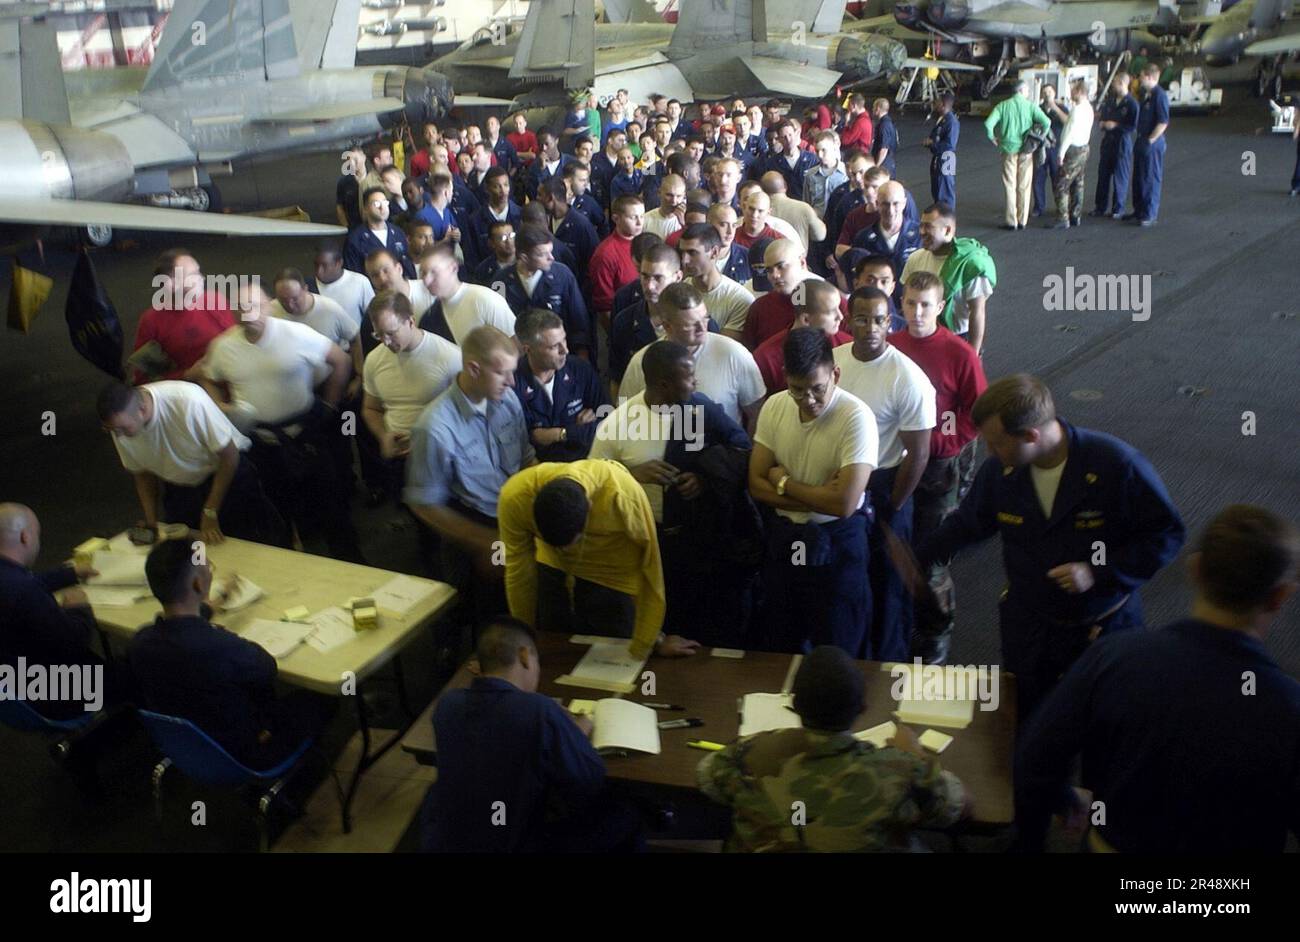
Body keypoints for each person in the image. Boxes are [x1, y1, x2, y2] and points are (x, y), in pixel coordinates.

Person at [1015, 505, 1298, 854]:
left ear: (1194, 570)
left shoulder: (1113, 657)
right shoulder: (1289, 707)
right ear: (1280, 597)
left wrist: (1065, 800)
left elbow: (1035, 759)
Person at [920, 374, 1185, 717]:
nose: (990, 452)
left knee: (1104, 728)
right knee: (1026, 723)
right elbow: (969, 523)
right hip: (1029, 627)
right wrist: (918, 557)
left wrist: (1098, 572)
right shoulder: (1001, 472)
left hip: (1102, 628)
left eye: (997, 443)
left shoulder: (1115, 465)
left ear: (1031, 435)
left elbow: (1166, 534)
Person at [698, 645, 969, 852]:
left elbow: (707, 777)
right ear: (862, 708)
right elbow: (956, 806)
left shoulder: (751, 751)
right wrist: (916, 754)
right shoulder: (898, 771)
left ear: (795, 705)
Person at [422, 617, 642, 853]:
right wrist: (577, 732)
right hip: (512, 843)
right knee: (626, 813)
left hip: (444, 841)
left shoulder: (447, 704)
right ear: (525, 656)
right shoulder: (539, 710)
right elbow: (590, 778)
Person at [591, 341, 756, 646]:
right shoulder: (616, 425)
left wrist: (705, 478)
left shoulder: (701, 408)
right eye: (690, 376)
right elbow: (592, 486)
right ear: (665, 384)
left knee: (706, 629)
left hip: (701, 542)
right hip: (648, 543)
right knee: (662, 624)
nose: (696, 382)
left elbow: (742, 448)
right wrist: (631, 476)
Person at [188, 282, 362, 562]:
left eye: (255, 305)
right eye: (242, 308)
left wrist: (329, 404)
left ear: (268, 305)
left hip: (306, 437)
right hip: (263, 444)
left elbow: (341, 361)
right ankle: (295, 569)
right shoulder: (223, 347)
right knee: (278, 512)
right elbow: (204, 374)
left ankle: (354, 565)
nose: (249, 313)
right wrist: (221, 406)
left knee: (332, 506)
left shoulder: (296, 334)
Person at [128, 540, 331, 770]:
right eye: (208, 568)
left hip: (188, 748)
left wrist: (211, 605)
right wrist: (216, 631)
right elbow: (267, 668)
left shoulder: (141, 642)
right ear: (197, 584)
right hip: (245, 753)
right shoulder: (219, 647)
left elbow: (182, 628)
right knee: (320, 699)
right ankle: (306, 776)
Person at [749, 329, 876, 655]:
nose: (808, 400)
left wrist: (784, 482)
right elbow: (754, 484)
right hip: (787, 538)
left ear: (835, 373)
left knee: (837, 646)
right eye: (798, 390)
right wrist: (817, 495)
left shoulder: (856, 418)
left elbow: (844, 505)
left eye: (818, 389)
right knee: (781, 640)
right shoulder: (775, 407)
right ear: (785, 378)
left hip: (837, 541)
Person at [498, 459, 700, 660]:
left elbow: (650, 568)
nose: (567, 550)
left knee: (622, 658)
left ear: (590, 506)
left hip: (613, 579)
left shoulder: (623, 496)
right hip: (553, 572)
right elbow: (519, 571)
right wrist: (519, 645)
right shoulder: (515, 496)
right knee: (555, 651)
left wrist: (652, 640)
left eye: (572, 542)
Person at [404, 326, 535, 621]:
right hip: (474, 525)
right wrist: (484, 541)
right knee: (486, 615)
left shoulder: (508, 400)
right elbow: (423, 502)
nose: (512, 382)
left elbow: (526, 458)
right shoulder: (434, 427)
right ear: (474, 368)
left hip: (515, 517)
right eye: (502, 373)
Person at [889, 272, 986, 663]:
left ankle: (935, 635)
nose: (917, 312)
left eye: (926, 304)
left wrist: (942, 444)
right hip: (895, 465)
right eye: (910, 303)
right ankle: (899, 626)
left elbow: (976, 412)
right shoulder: (892, 347)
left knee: (931, 558)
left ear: (941, 307)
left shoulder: (958, 353)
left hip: (939, 470)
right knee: (896, 549)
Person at [835, 288, 936, 662]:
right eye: (862, 319)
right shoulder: (836, 361)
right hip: (843, 482)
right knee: (850, 580)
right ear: (848, 321)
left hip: (888, 485)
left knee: (889, 586)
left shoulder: (907, 377)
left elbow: (919, 454)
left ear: (890, 322)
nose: (872, 328)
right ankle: (854, 662)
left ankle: (890, 665)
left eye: (881, 320)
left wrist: (892, 506)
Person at [98, 380, 284, 546]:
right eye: (113, 430)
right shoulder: (119, 424)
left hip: (224, 473)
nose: (119, 435)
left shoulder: (187, 401)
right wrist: (151, 523)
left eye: (123, 429)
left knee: (248, 544)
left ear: (142, 410)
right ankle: (203, 582)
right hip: (181, 484)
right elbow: (142, 475)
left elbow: (229, 456)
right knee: (191, 551)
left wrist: (210, 511)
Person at [0, 504, 106, 720]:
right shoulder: (25, 592)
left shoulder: (12, 579)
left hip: (12, 687)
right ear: (25, 537)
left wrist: (69, 573)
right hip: (52, 693)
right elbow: (75, 641)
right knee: (132, 672)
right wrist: (79, 609)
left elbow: (27, 583)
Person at [620, 283, 765, 430]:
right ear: (667, 326)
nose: (703, 328)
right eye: (691, 325)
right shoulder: (642, 362)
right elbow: (626, 418)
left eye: (705, 318)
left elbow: (757, 414)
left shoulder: (734, 354)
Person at [361, 291, 461, 499]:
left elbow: (466, 414)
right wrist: (384, 436)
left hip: (443, 456)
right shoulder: (373, 360)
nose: (386, 342)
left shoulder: (449, 357)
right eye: (378, 335)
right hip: (399, 458)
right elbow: (371, 408)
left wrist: (429, 443)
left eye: (391, 333)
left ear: (411, 321)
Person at [899, 202, 996, 354]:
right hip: (920, 335)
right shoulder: (914, 259)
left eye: (928, 227)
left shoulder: (970, 264)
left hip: (958, 338)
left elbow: (977, 312)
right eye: (921, 226)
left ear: (948, 231)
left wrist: (973, 354)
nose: (922, 232)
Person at [512, 308, 607, 462]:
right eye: (554, 346)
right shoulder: (512, 384)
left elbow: (607, 420)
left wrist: (561, 433)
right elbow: (519, 441)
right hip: (539, 469)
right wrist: (580, 429)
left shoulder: (580, 369)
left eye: (564, 340)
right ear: (528, 350)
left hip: (587, 460)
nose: (565, 350)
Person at [129, 249, 234, 384]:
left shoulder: (215, 299)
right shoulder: (151, 322)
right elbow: (145, 380)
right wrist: (188, 374)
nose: (202, 278)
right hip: (190, 391)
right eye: (193, 275)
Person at [487, 227, 588, 356]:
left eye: (551, 252)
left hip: (557, 351)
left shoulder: (562, 275)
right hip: (519, 355)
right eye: (542, 254)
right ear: (524, 257)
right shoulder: (500, 281)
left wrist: (582, 355)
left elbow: (578, 320)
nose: (551, 258)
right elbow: (496, 326)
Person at [752, 278, 850, 393]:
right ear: (806, 319)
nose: (840, 316)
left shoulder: (848, 345)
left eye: (839, 308)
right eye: (831, 311)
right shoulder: (766, 359)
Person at [417, 243, 517, 344]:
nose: (427, 280)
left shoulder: (484, 299)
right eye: (423, 273)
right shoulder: (430, 319)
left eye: (434, 272)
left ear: (453, 268)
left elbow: (517, 343)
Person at [984, 80, 1050, 230]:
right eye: (1027, 90)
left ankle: (1011, 220)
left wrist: (992, 137)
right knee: (1024, 186)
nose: (1028, 93)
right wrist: (1039, 138)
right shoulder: (1030, 106)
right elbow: (1047, 122)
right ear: (1022, 90)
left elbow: (988, 124)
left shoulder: (1002, 106)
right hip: (1026, 150)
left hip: (1008, 150)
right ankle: (1022, 220)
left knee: (1010, 185)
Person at [678, 223, 755, 341]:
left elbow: (723, 348)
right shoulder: (679, 292)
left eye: (692, 253)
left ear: (714, 252)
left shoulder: (739, 299)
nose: (684, 260)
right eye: (682, 253)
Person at [588, 195, 645, 330]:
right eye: (633, 217)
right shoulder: (605, 255)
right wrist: (616, 337)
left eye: (642, 216)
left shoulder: (645, 242)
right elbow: (604, 308)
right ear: (615, 219)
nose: (639, 223)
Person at [847, 180, 921, 281]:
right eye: (885, 204)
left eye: (896, 204)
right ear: (877, 204)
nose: (890, 210)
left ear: (904, 204)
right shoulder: (862, 239)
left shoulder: (921, 235)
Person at [1127, 63, 1171, 227]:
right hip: (1142, 139)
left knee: (1151, 177)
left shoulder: (1159, 96)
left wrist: (1151, 140)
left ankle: (1149, 214)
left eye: (1142, 76)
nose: (1139, 79)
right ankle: (1139, 210)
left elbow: (1163, 122)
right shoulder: (1147, 94)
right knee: (1139, 177)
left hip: (1151, 142)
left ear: (1150, 77)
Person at [1091, 71, 1139, 218]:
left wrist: (1116, 126)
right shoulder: (1110, 101)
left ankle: (1118, 208)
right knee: (1103, 175)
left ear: (1122, 84)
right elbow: (1103, 116)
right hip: (1108, 142)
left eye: (1115, 83)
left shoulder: (1131, 104)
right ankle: (1100, 207)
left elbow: (1133, 126)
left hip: (1122, 142)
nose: (1112, 85)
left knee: (1120, 176)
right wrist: (1102, 123)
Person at [1050, 79, 1094, 229]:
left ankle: (1063, 218)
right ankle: (1075, 215)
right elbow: (1068, 121)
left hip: (1073, 150)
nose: (1070, 93)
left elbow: (1069, 133)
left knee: (1061, 184)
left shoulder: (1077, 110)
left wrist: (1060, 153)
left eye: (1073, 90)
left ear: (1080, 92)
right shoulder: (1088, 108)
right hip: (1084, 148)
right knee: (1078, 183)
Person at [344, 187, 415, 277]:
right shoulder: (355, 239)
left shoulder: (398, 233)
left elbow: (408, 266)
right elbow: (354, 276)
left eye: (385, 202)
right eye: (376, 204)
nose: (382, 207)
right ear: (365, 208)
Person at [313, 243, 375, 335]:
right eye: (316, 265)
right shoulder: (308, 286)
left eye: (324, 265)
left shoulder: (360, 282)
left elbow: (373, 318)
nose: (319, 271)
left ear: (339, 263)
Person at [762, 171, 826, 255]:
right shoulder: (804, 208)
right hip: (797, 260)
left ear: (762, 190)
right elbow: (820, 236)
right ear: (785, 186)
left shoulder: (757, 211)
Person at [754, 119, 817, 199]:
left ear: (796, 134)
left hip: (807, 206)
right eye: (784, 137)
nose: (788, 139)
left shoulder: (812, 159)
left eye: (790, 135)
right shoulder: (772, 163)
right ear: (779, 140)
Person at [1031, 83, 1067, 219]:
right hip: (1040, 149)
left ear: (1055, 93)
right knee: (1038, 179)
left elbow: (1067, 121)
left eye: (1050, 92)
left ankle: (1060, 207)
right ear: (1041, 95)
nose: (1047, 94)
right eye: (1045, 92)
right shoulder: (1037, 109)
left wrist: (1055, 108)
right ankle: (1039, 207)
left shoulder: (1062, 108)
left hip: (1055, 148)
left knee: (1057, 178)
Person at [925, 91, 960, 207]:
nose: (935, 104)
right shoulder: (942, 119)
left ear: (943, 105)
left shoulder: (951, 122)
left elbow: (950, 145)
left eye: (937, 102)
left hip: (946, 159)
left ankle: (947, 216)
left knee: (944, 189)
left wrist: (932, 143)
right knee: (936, 188)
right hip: (939, 157)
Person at [641, 174, 686, 238]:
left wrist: (684, 225)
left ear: (684, 196)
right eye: (669, 195)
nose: (674, 201)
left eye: (678, 196)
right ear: (659, 193)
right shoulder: (645, 220)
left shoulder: (687, 222)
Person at [870, 98, 898, 177]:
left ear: (878, 108)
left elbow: (884, 148)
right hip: (889, 161)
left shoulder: (884, 125)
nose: (872, 109)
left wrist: (877, 165)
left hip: (884, 164)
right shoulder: (889, 122)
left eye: (873, 107)